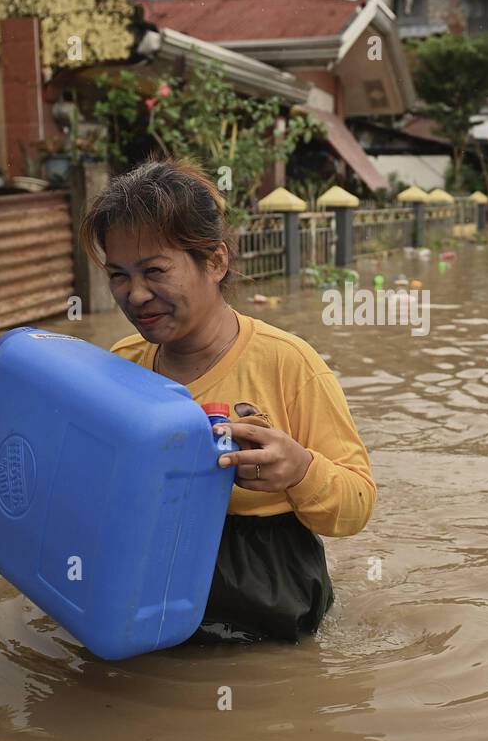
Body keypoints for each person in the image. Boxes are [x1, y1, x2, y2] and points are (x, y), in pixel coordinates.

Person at [80, 158, 376, 643]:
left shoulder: (288, 364)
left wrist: (301, 470)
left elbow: (358, 503)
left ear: (215, 262)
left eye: (154, 270)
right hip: (148, 587)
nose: (135, 295)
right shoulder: (121, 366)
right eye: (118, 275)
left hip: (266, 593)